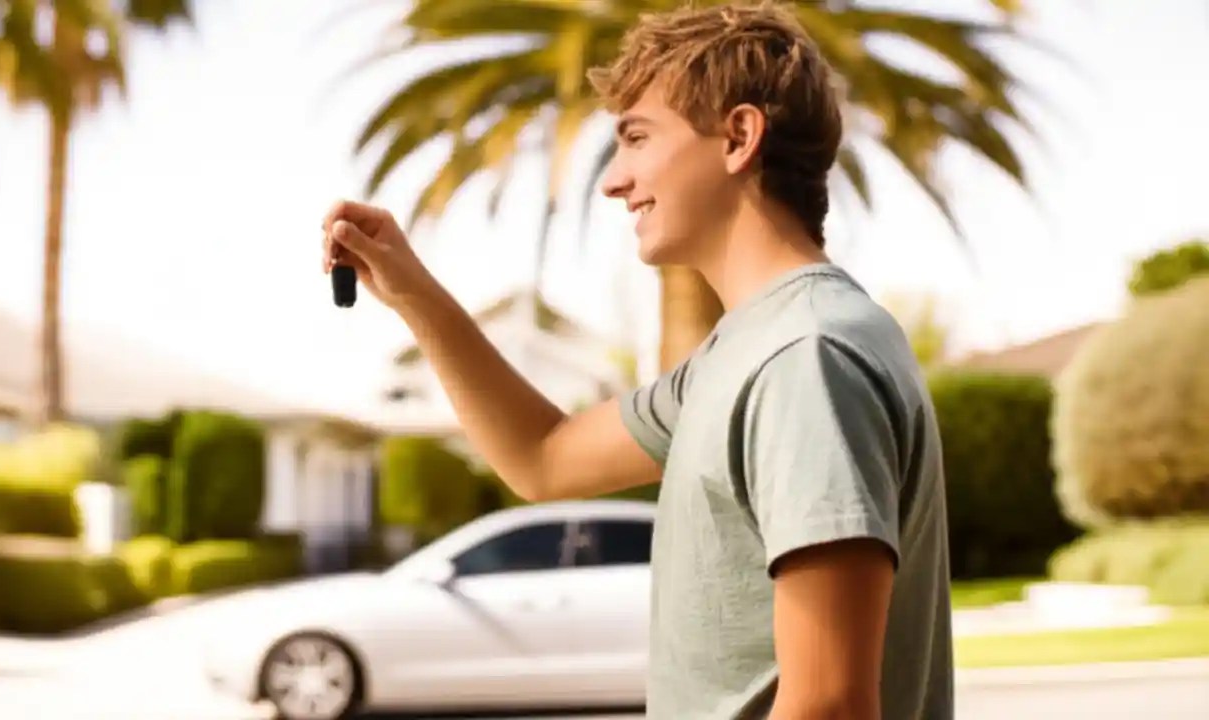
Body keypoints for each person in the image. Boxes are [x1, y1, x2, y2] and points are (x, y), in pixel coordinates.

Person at [321, 2, 953, 718]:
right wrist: (415, 295)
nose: (613, 180)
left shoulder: (805, 357)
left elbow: (830, 704)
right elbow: (545, 457)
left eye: (637, 138)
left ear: (739, 136)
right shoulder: (744, 353)